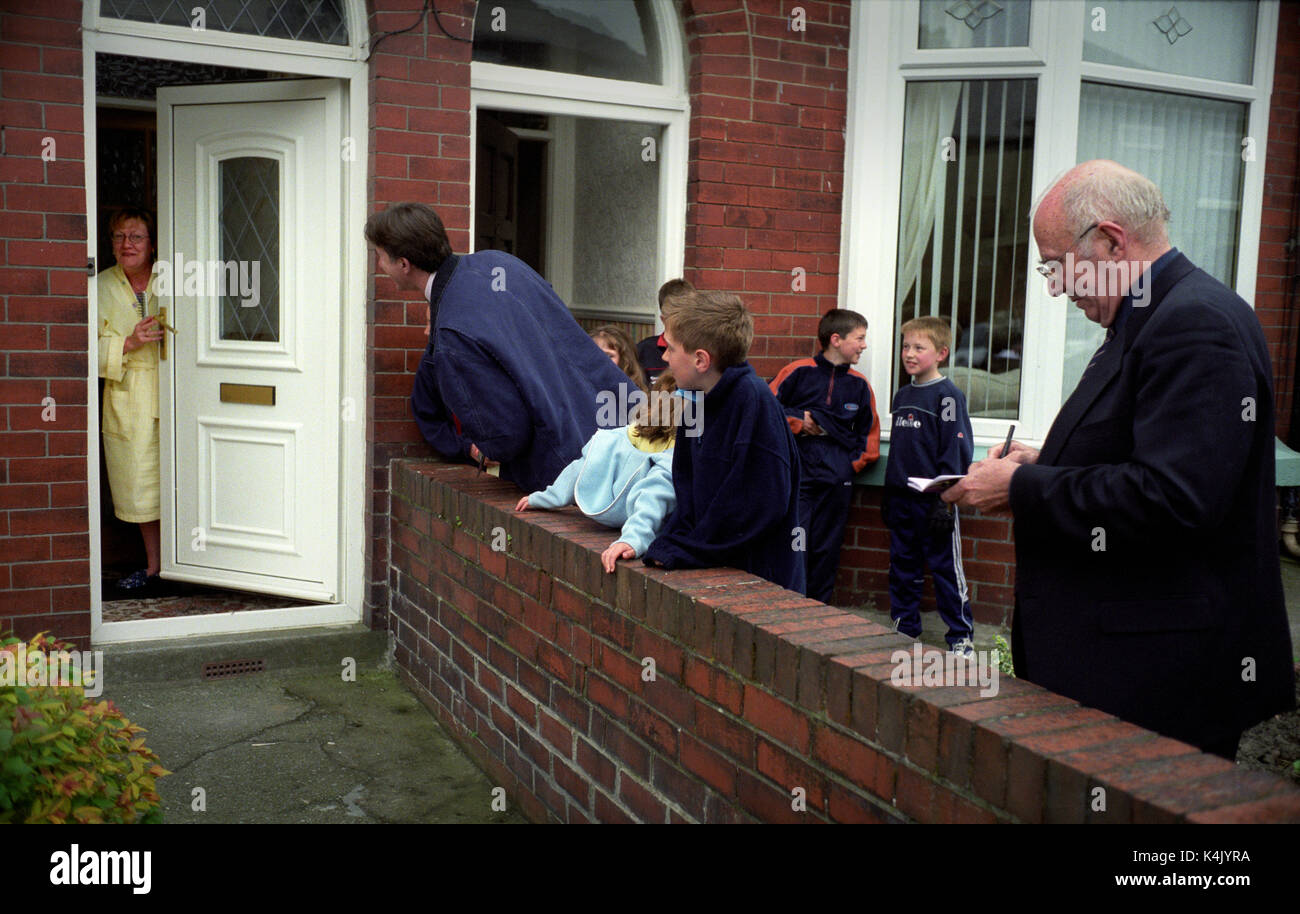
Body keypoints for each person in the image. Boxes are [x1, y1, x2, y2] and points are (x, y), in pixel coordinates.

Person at [944, 160, 1296, 757]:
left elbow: (1175, 498)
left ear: (1109, 241)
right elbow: (1140, 452)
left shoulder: (1193, 323)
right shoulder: (1157, 312)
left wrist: (1022, 487)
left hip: (1159, 672)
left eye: (1056, 265)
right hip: (1136, 661)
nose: (1055, 287)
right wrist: (1045, 460)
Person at [365, 202, 633, 494]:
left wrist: (482, 446)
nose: (380, 266)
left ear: (403, 264)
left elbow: (506, 436)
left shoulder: (452, 331)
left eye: (380, 257)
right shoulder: (498, 263)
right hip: (624, 432)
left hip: (572, 474)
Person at [643, 290, 805, 594]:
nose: (663, 357)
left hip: (759, 584)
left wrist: (688, 551)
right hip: (714, 575)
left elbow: (757, 508)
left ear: (701, 359)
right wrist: (669, 542)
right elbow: (687, 494)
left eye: (671, 349)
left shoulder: (755, 403)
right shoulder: (695, 403)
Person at [516, 372, 681, 573]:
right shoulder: (674, 454)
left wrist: (544, 498)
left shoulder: (617, 436)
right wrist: (634, 538)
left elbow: (579, 469)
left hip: (599, 508)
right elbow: (653, 495)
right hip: (637, 519)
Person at [768, 308, 880, 603]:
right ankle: (791, 606)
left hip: (836, 480)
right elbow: (765, 411)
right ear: (836, 339)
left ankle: (819, 610)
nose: (864, 345)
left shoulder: (860, 385)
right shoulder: (796, 371)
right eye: (860, 338)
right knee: (796, 542)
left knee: (827, 547)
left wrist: (847, 466)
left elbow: (870, 437)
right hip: (799, 476)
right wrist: (797, 421)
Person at [884, 316, 975, 654]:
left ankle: (960, 637)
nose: (909, 353)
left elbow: (956, 449)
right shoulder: (903, 394)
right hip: (902, 500)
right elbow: (898, 449)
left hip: (935, 502)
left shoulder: (948, 396)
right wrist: (890, 491)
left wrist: (946, 499)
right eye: (905, 346)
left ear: (941, 353)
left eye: (919, 348)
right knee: (902, 567)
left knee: (946, 571)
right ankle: (905, 628)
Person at [97, 207, 165, 592]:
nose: (128, 244)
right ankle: (155, 567)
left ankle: (194, 564)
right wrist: (129, 341)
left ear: (151, 244)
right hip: (129, 396)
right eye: (120, 237)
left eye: (136, 237)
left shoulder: (171, 280)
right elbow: (83, 348)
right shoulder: (101, 285)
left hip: (174, 387)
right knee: (141, 484)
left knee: (183, 476)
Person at [636, 278, 694, 386]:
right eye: (675, 318)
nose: (681, 324)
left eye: (686, 317)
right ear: (663, 319)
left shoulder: (698, 351)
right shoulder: (644, 351)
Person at [591, 325, 648, 393]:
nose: (600, 360)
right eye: (595, 355)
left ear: (625, 360)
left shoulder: (632, 393)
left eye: (609, 356)